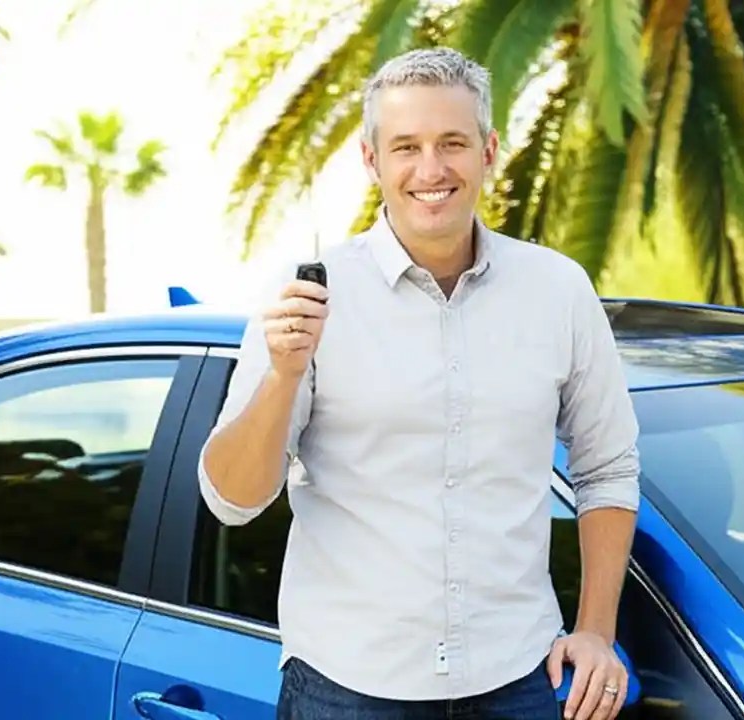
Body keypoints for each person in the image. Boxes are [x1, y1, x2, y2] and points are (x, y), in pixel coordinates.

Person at [198, 47, 641, 720]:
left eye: (452, 143)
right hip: (347, 690)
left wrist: (597, 631)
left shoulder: (559, 290)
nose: (431, 170)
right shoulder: (307, 296)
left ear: (488, 151)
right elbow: (232, 500)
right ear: (372, 160)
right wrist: (283, 375)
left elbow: (607, 467)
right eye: (406, 147)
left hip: (517, 678)